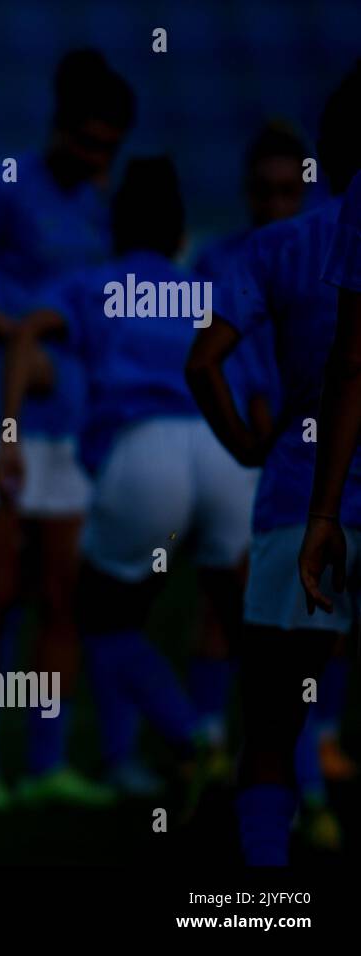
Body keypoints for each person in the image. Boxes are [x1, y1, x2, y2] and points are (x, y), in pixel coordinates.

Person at [0, 158, 256, 811]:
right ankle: (288, 773)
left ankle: (193, 739)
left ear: (117, 224)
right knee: (236, 617)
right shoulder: (205, 288)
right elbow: (249, 382)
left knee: (102, 617)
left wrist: (9, 434)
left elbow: (29, 332)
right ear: (178, 232)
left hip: (146, 452)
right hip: (225, 454)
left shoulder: (94, 283)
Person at [0, 49, 134, 809]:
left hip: (69, 420)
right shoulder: (7, 184)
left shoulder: (104, 206)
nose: (95, 156)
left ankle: (47, 761)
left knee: (59, 594)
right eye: (85, 141)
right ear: (59, 129)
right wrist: (19, 334)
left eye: (108, 145)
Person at [188, 61, 361, 864]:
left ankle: (263, 895)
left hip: (299, 490)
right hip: (312, 491)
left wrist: (248, 447)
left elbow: (203, 361)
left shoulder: (277, 248)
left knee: (266, 717)